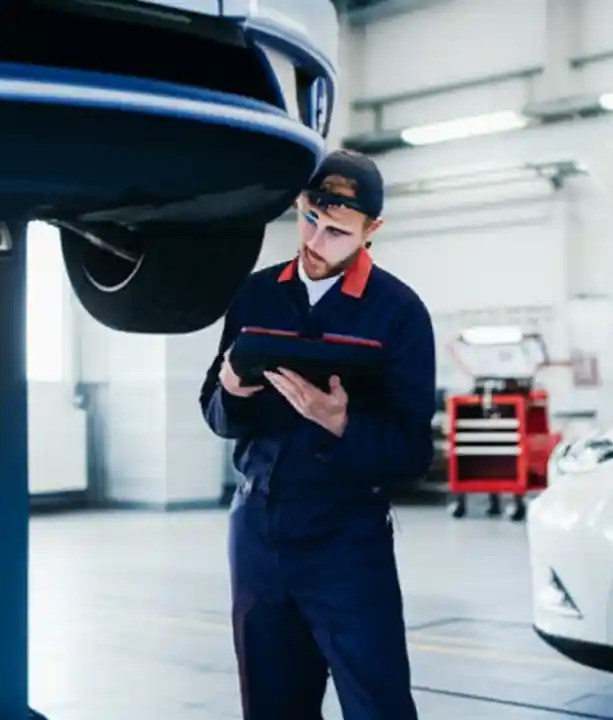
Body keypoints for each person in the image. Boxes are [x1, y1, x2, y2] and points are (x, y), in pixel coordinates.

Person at [199, 149, 436, 720]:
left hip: (347, 541)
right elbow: (215, 415)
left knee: (378, 705)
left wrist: (341, 424)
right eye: (309, 218)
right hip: (257, 533)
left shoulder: (399, 314)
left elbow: (411, 453)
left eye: (336, 230)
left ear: (371, 230)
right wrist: (231, 386)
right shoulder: (254, 295)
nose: (315, 239)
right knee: (271, 706)